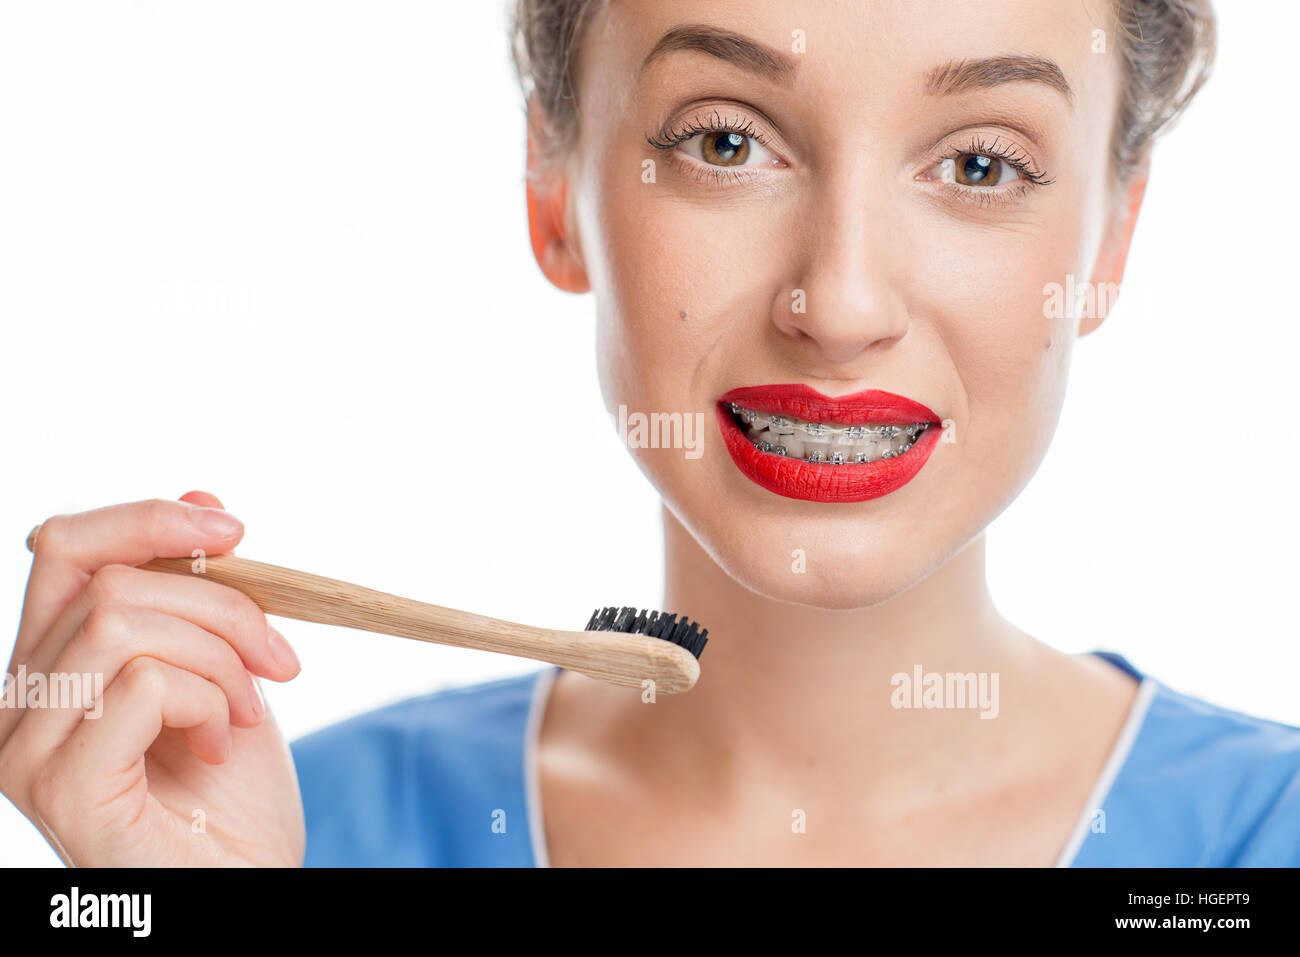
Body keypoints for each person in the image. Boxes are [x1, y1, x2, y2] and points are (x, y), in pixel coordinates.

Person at [7, 0, 1297, 867]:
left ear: (1112, 234)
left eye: (979, 165)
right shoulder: (283, 831)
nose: (840, 304)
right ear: (553, 190)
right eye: (726, 140)